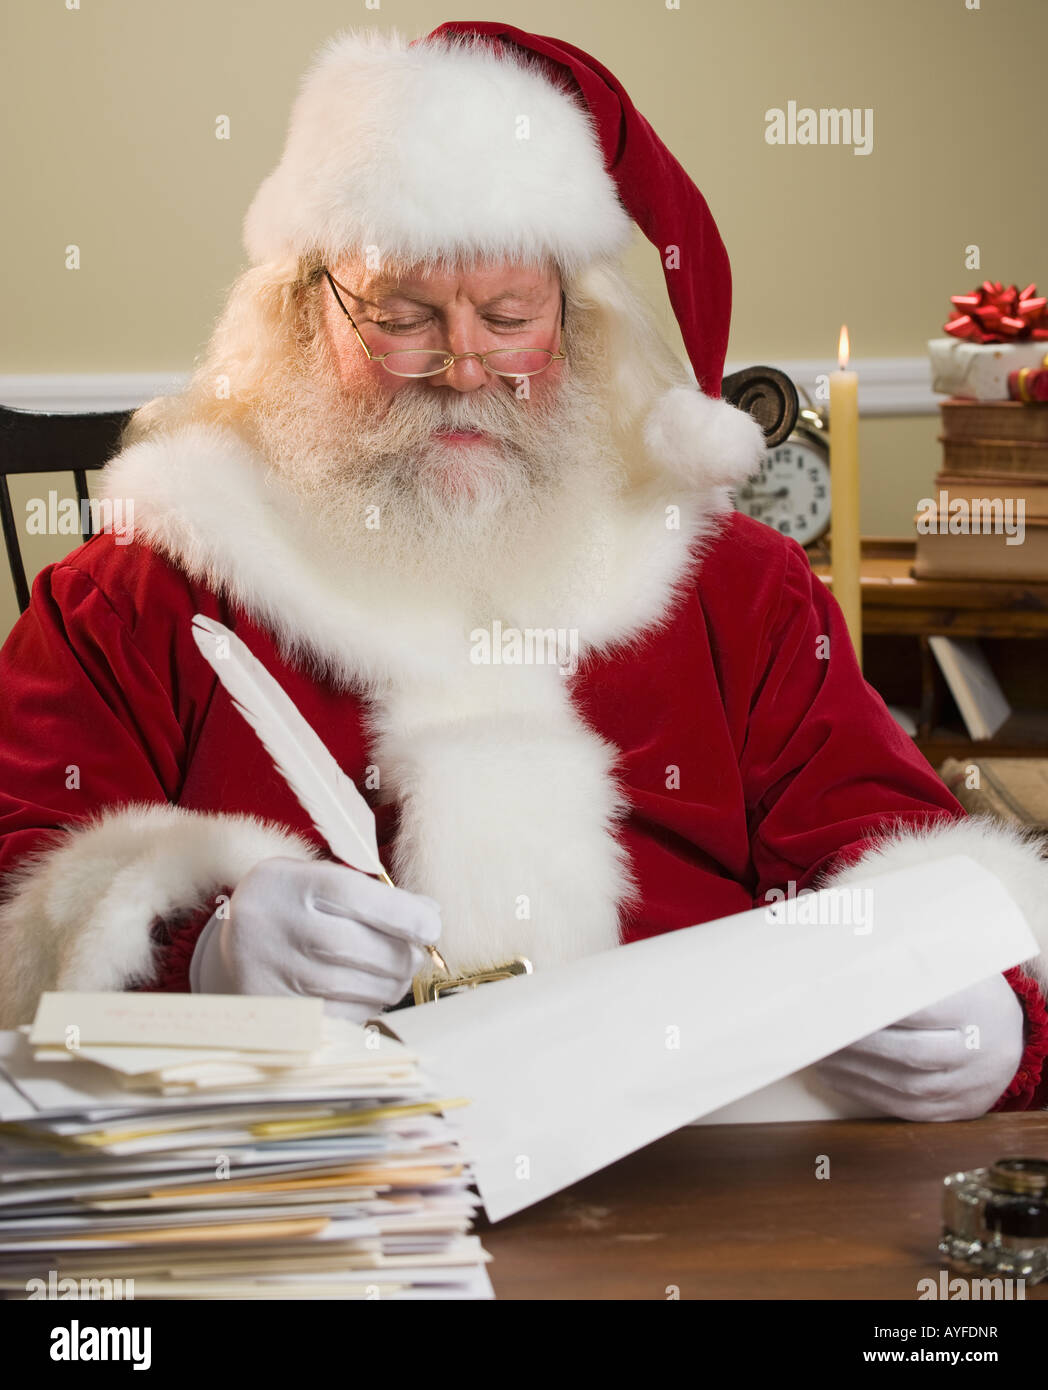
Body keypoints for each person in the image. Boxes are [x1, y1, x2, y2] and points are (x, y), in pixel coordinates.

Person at [0, 23, 1045, 1121]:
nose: (463, 369)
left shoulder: (739, 590)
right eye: (401, 318)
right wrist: (193, 957)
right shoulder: (144, 593)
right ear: (303, 315)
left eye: (509, 319)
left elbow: (890, 843)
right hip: (302, 1201)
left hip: (713, 1194)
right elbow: (20, 874)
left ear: (575, 324)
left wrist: (985, 1006)